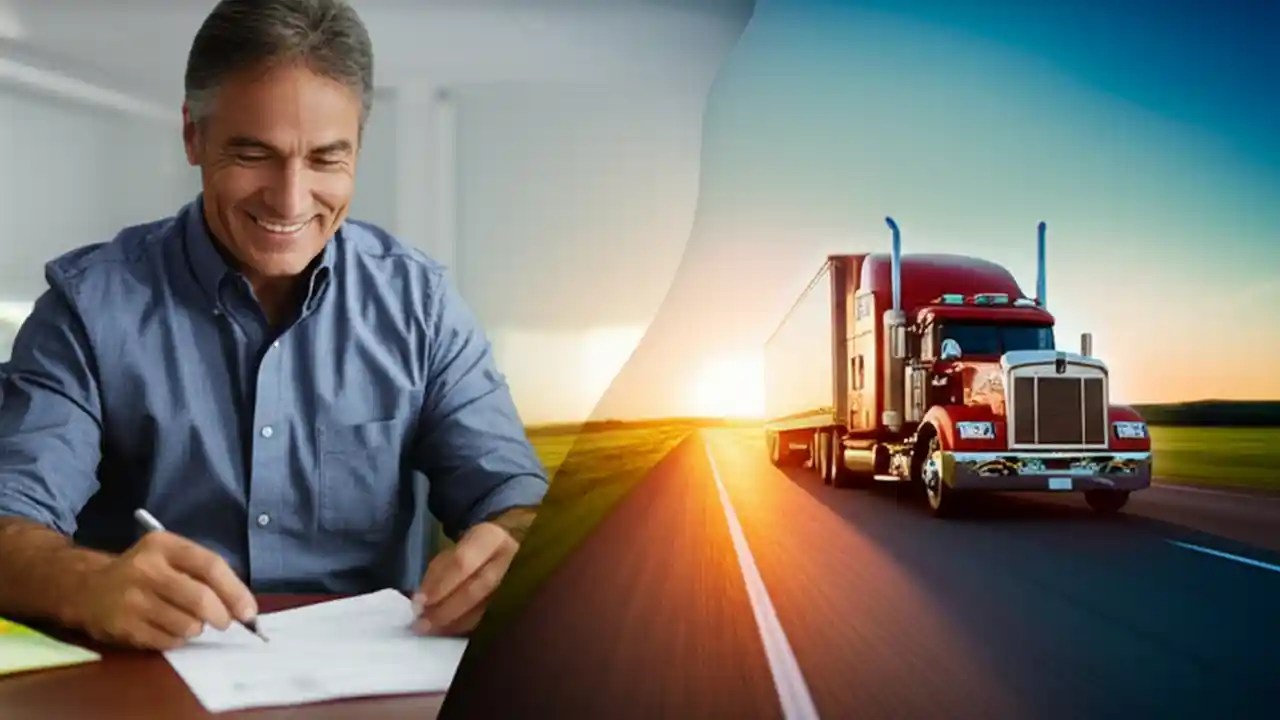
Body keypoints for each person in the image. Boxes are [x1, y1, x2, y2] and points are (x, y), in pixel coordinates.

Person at [0, 0, 547, 650]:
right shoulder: (88, 308)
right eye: (253, 154)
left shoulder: (421, 307)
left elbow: (517, 502)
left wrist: (515, 547)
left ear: (359, 147)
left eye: (325, 159)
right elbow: (9, 523)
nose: (290, 199)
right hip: (151, 679)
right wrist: (85, 583)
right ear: (193, 135)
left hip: (371, 684)